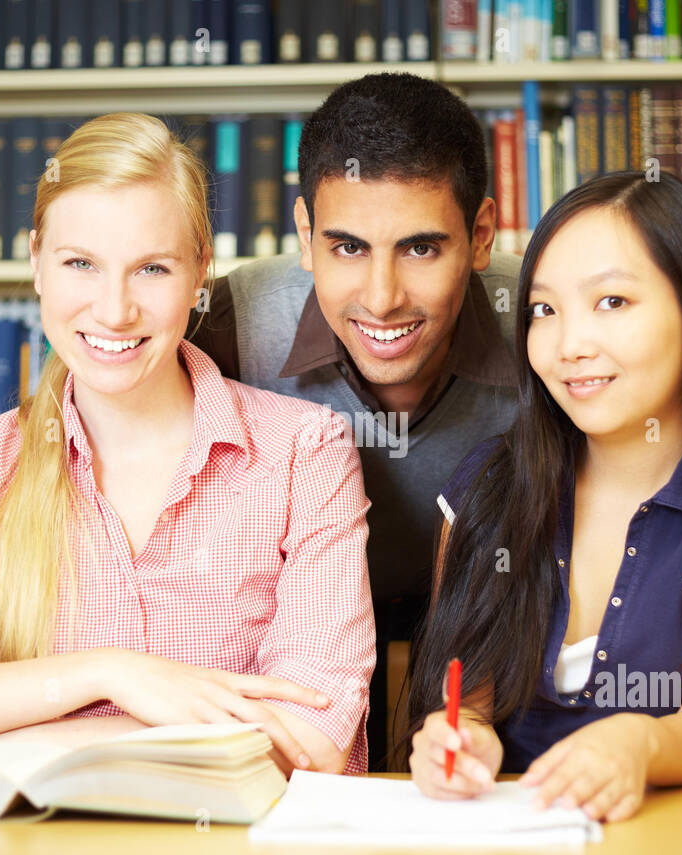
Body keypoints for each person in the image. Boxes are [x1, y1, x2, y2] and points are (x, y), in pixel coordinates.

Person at [0, 113, 376, 775]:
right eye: (80, 263)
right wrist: (109, 675)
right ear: (36, 264)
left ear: (201, 272)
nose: (114, 310)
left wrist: (9, 750)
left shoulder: (305, 456)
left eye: (151, 269)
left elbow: (311, 744)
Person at [406, 171, 682, 822]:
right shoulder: (487, 489)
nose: (570, 346)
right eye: (544, 310)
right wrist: (458, 740)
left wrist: (638, 743)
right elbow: (465, 698)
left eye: (612, 302)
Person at [190, 72, 522, 768]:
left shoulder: (550, 324)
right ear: (305, 235)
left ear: (481, 234)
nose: (382, 298)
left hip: (501, 672)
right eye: (348, 248)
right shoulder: (224, 327)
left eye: (421, 248)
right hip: (286, 680)